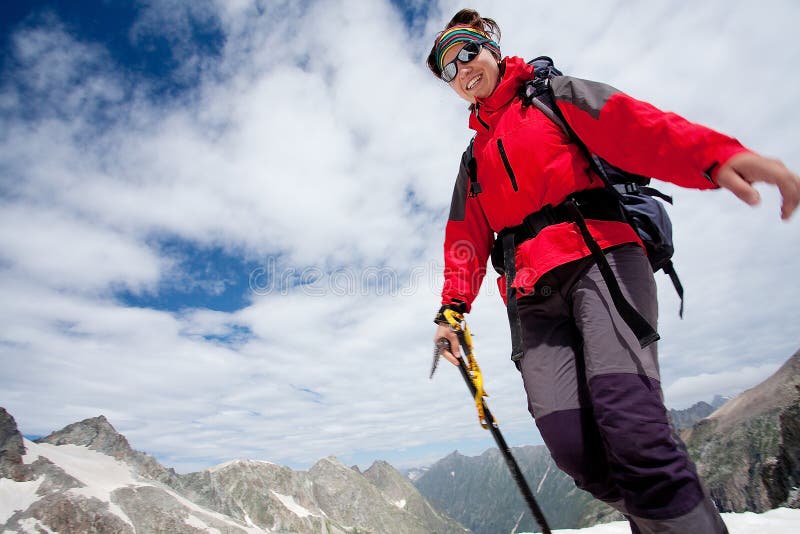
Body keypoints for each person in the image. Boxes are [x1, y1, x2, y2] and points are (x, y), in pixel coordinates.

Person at [428, 8, 799, 534]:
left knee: (632, 428)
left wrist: (714, 157)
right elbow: (464, 241)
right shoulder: (473, 162)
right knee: (572, 447)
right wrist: (451, 310)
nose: (462, 69)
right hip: (532, 297)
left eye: (468, 51)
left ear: (491, 48)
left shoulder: (554, 96)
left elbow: (634, 126)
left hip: (600, 260)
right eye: (448, 68)